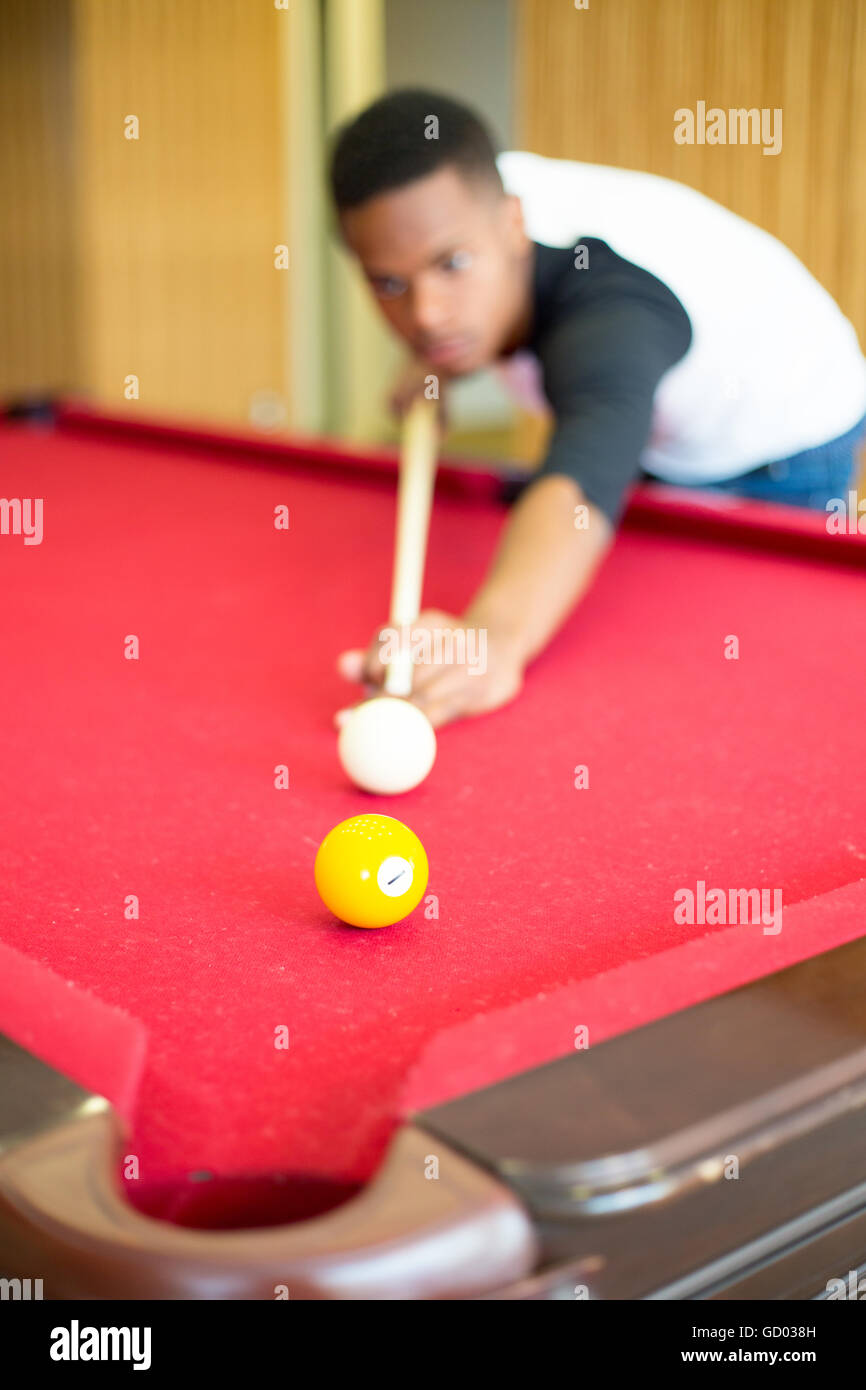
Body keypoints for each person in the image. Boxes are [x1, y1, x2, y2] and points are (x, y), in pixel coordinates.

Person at [329, 89, 866, 728]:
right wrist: (435, 357)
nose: (425, 314)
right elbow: (440, 290)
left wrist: (491, 638)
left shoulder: (607, 312)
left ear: (513, 225)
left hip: (788, 429)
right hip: (654, 410)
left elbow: (580, 486)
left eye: (452, 264)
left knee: (746, 675)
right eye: (389, 283)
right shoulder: (453, 205)